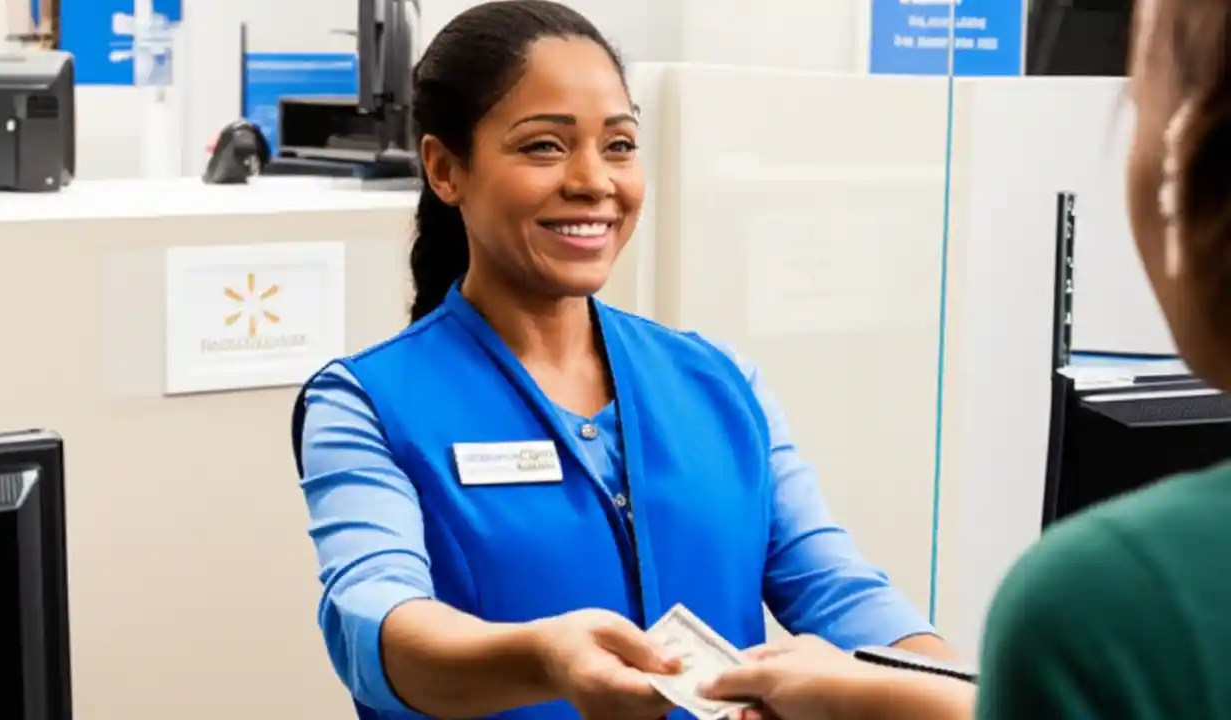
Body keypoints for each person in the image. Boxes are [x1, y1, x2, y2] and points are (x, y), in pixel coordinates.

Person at [290, 1, 950, 719]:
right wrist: (543, 658)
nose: (593, 181)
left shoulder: (720, 383)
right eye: (544, 146)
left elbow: (841, 592)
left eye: (620, 144)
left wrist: (960, 686)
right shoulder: (367, 402)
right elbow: (375, 627)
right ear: (446, 170)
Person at [700, 0, 1231, 718]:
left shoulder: (1113, 602)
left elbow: (831, 582)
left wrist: (917, 688)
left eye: (1133, 105)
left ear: (1187, 161)